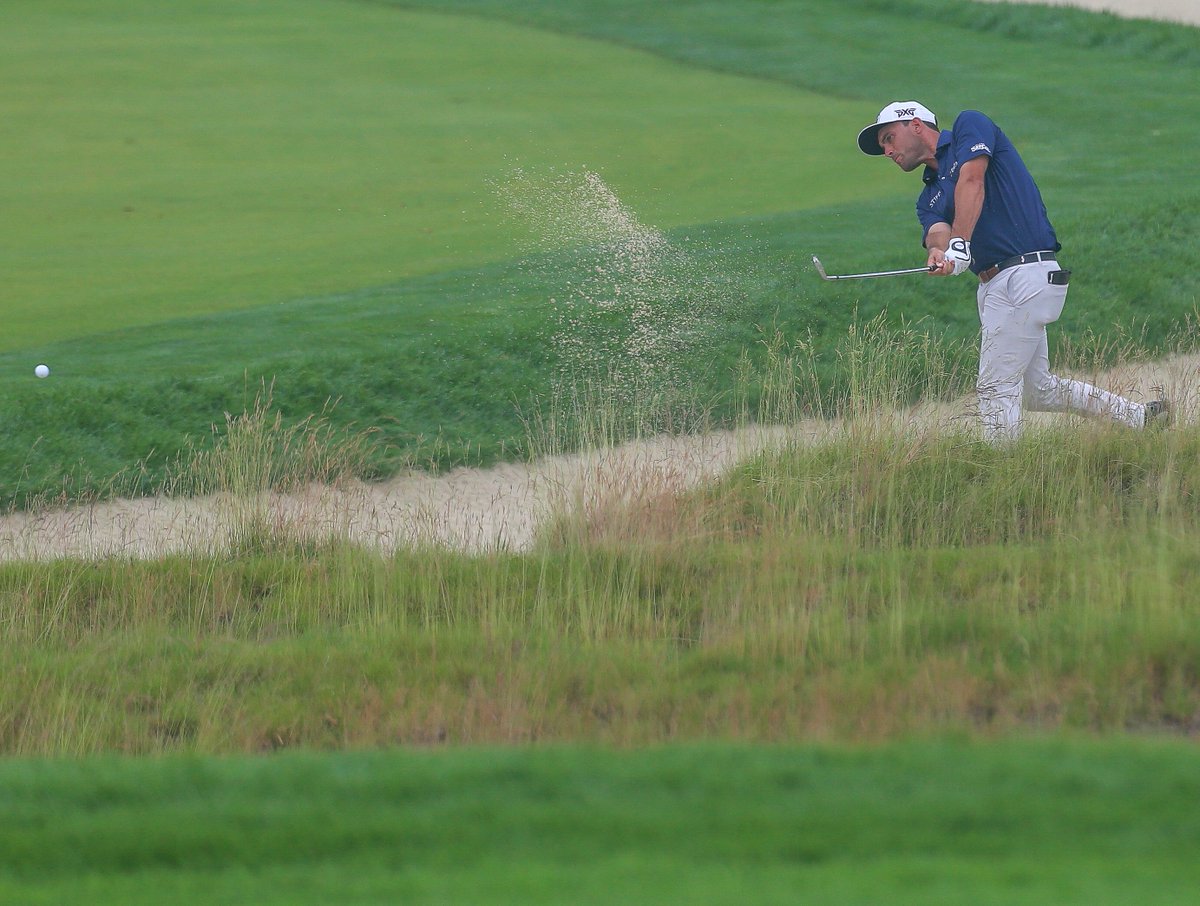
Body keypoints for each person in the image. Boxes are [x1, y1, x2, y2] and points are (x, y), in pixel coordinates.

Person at [855, 100, 1168, 443]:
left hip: (1026, 274)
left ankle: (1003, 469)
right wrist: (939, 253)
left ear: (915, 125)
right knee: (1039, 392)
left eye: (888, 138)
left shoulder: (969, 127)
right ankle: (1139, 418)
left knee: (995, 386)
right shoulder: (928, 195)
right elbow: (936, 232)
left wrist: (960, 243)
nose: (886, 150)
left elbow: (972, 180)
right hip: (992, 287)